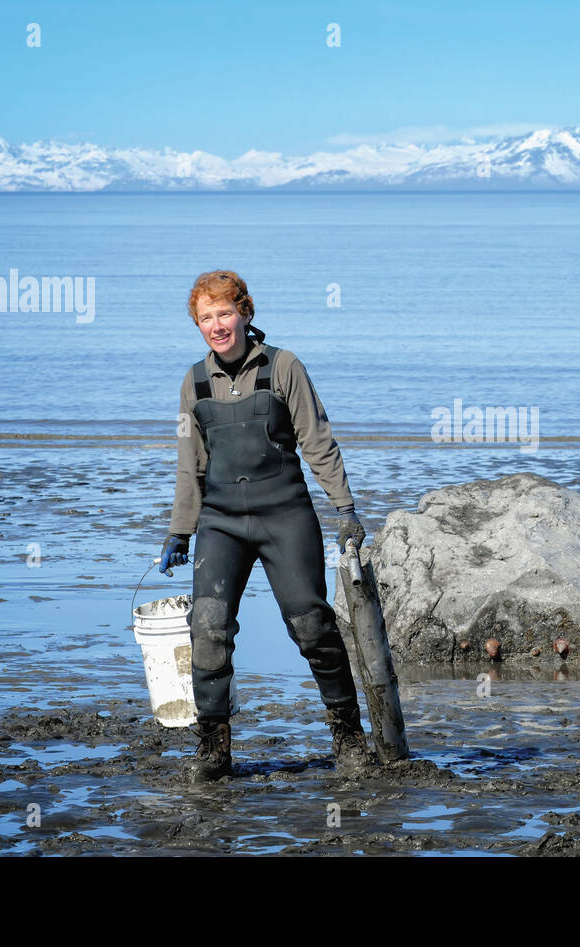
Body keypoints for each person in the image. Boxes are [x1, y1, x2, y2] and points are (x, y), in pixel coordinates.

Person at [158, 270, 371, 782]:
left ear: (246, 313)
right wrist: (180, 531)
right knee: (207, 632)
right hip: (221, 523)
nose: (217, 325)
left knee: (312, 627)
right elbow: (191, 463)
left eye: (225, 313)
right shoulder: (195, 381)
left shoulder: (284, 367)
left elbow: (317, 440)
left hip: (286, 516)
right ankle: (213, 752)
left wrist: (345, 510)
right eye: (205, 318)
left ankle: (349, 738)